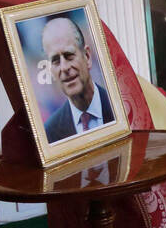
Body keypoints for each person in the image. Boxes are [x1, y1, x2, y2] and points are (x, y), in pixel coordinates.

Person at [40, 15, 113, 143]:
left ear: (87, 57)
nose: (64, 67)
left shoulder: (119, 108)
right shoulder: (49, 133)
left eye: (69, 56)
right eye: (56, 61)